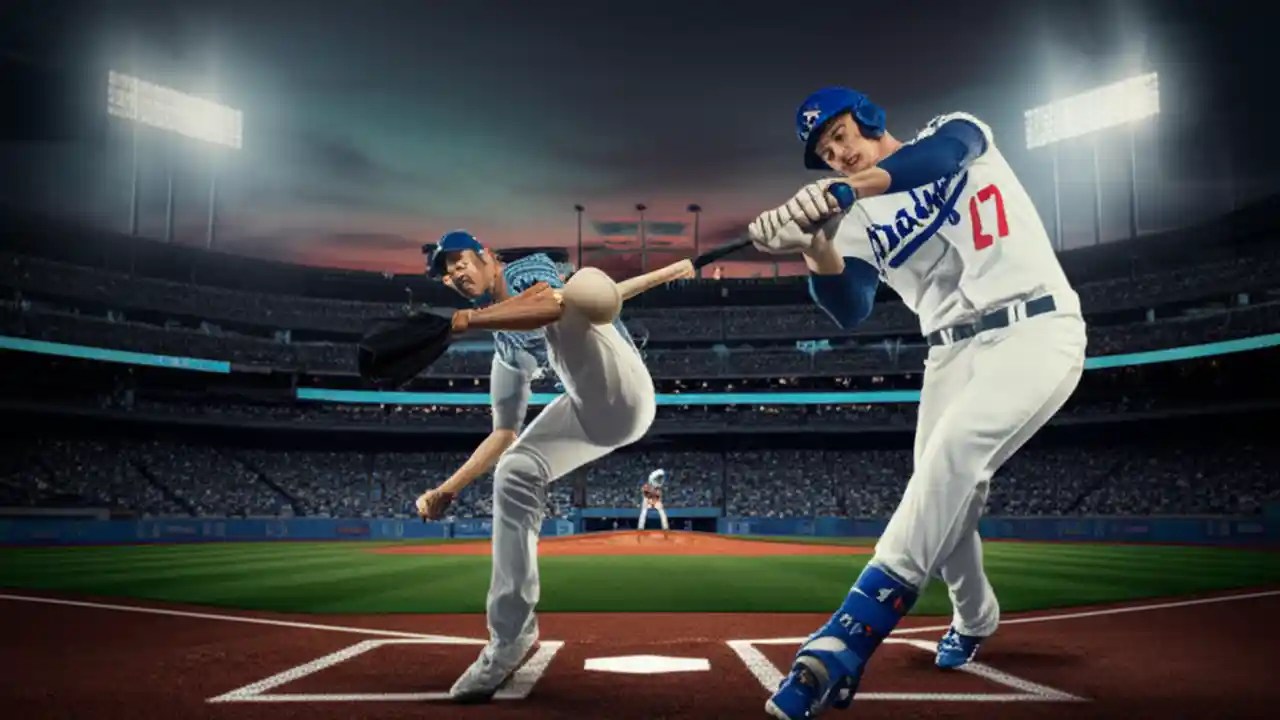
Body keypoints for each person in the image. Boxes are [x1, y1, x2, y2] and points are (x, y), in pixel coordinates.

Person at [748, 87, 1088, 719]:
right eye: (825, 151)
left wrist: (849, 191)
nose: (838, 154)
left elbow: (940, 158)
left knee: (952, 458)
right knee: (950, 506)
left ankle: (849, 636)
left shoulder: (954, 129)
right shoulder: (852, 218)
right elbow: (849, 307)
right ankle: (976, 615)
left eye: (842, 134)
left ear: (871, 119)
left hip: (1035, 325)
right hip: (948, 354)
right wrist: (810, 241)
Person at [413, 230, 661, 703]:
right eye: (447, 274)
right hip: (588, 412)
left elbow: (546, 305)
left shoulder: (526, 270)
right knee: (516, 468)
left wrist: (466, 321)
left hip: (625, 392)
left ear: (486, 257)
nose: (456, 274)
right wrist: (449, 489)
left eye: (460, 262)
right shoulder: (504, 343)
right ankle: (511, 637)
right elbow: (503, 431)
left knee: (567, 308)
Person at [638, 468, 670, 536]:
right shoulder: (651, 481)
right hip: (648, 496)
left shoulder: (658, 484)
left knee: (661, 512)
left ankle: (665, 528)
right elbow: (645, 492)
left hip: (654, 496)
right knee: (644, 511)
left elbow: (658, 493)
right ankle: (640, 528)